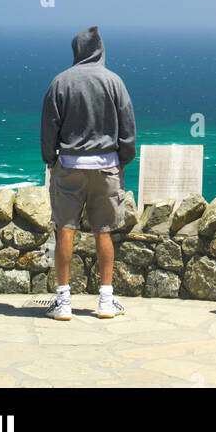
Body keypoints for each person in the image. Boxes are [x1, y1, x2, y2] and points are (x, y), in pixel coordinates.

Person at [40, 26, 136, 321]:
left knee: (65, 228)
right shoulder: (114, 82)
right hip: (106, 165)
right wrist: (123, 159)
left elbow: (49, 127)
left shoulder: (60, 82)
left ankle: (63, 300)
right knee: (103, 231)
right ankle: (105, 300)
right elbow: (127, 126)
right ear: (100, 50)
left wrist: (50, 159)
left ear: (77, 51)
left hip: (69, 165)